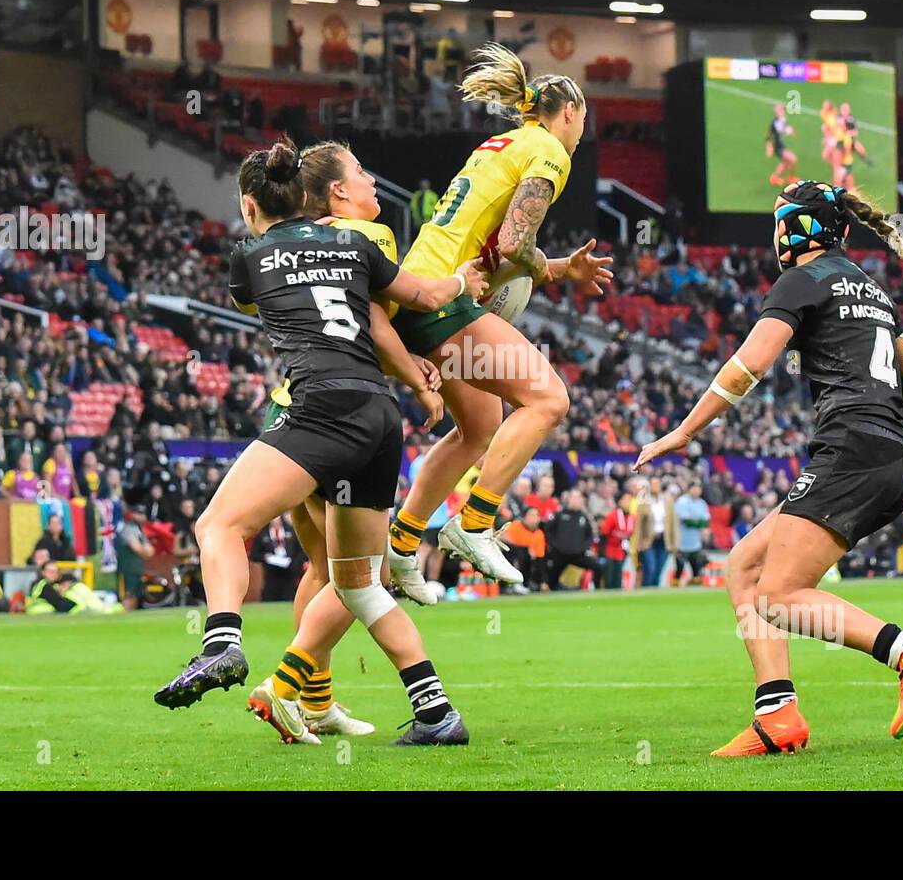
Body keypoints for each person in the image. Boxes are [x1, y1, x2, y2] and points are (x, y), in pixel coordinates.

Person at [154, 136, 488, 746]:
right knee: (359, 581)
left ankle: (223, 641)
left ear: (251, 206)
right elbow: (424, 296)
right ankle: (437, 713)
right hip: (378, 415)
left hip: (318, 406)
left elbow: (262, 297)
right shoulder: (356, 242)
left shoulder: (247, 257)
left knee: (218, 527)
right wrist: (461, 283)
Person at [636, 180, 903, 755]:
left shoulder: (802, 280)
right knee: (745, 567)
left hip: (852, 449)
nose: (777, 230)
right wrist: (889, 435)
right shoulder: (874, 290)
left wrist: (684, 431)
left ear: (798, 227)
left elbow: (746, 367)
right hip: (893, 455)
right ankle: (777, 714)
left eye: (782, 220)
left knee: (777, 595)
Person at [387, 42, 612, 592]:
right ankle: (475, 522)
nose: (582, 131)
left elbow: (498, 241)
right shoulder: (550, 152)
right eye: (584, 120)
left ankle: (400, 544)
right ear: (569, 112)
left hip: (419, 290)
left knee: (480, 427)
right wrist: (541, 265)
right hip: (445, 297)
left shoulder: (503, 142)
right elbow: (514, 241)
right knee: (549, 399)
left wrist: (556, 268)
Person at [117, 505, 155, 611]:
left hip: (138, 569)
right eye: (138, 514)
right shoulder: (129, 528)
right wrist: (145, 552)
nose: (141, 517)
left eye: (143, 514)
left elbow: (151, 551)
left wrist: (145, 551)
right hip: (127, 570)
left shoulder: (140, 531)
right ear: (132, 514)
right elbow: (137, 548)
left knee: (136, 596)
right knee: (128, 596)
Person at [598, 487, 635, 589]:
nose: (628, 502)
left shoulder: (632, 518)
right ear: (619, 501)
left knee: (618, 579)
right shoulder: (612, 516)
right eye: (626, 499)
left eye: (630, 500)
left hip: (622, 552)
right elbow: (603, 534)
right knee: (609, 580)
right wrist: (602, 554)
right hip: (609, 552)